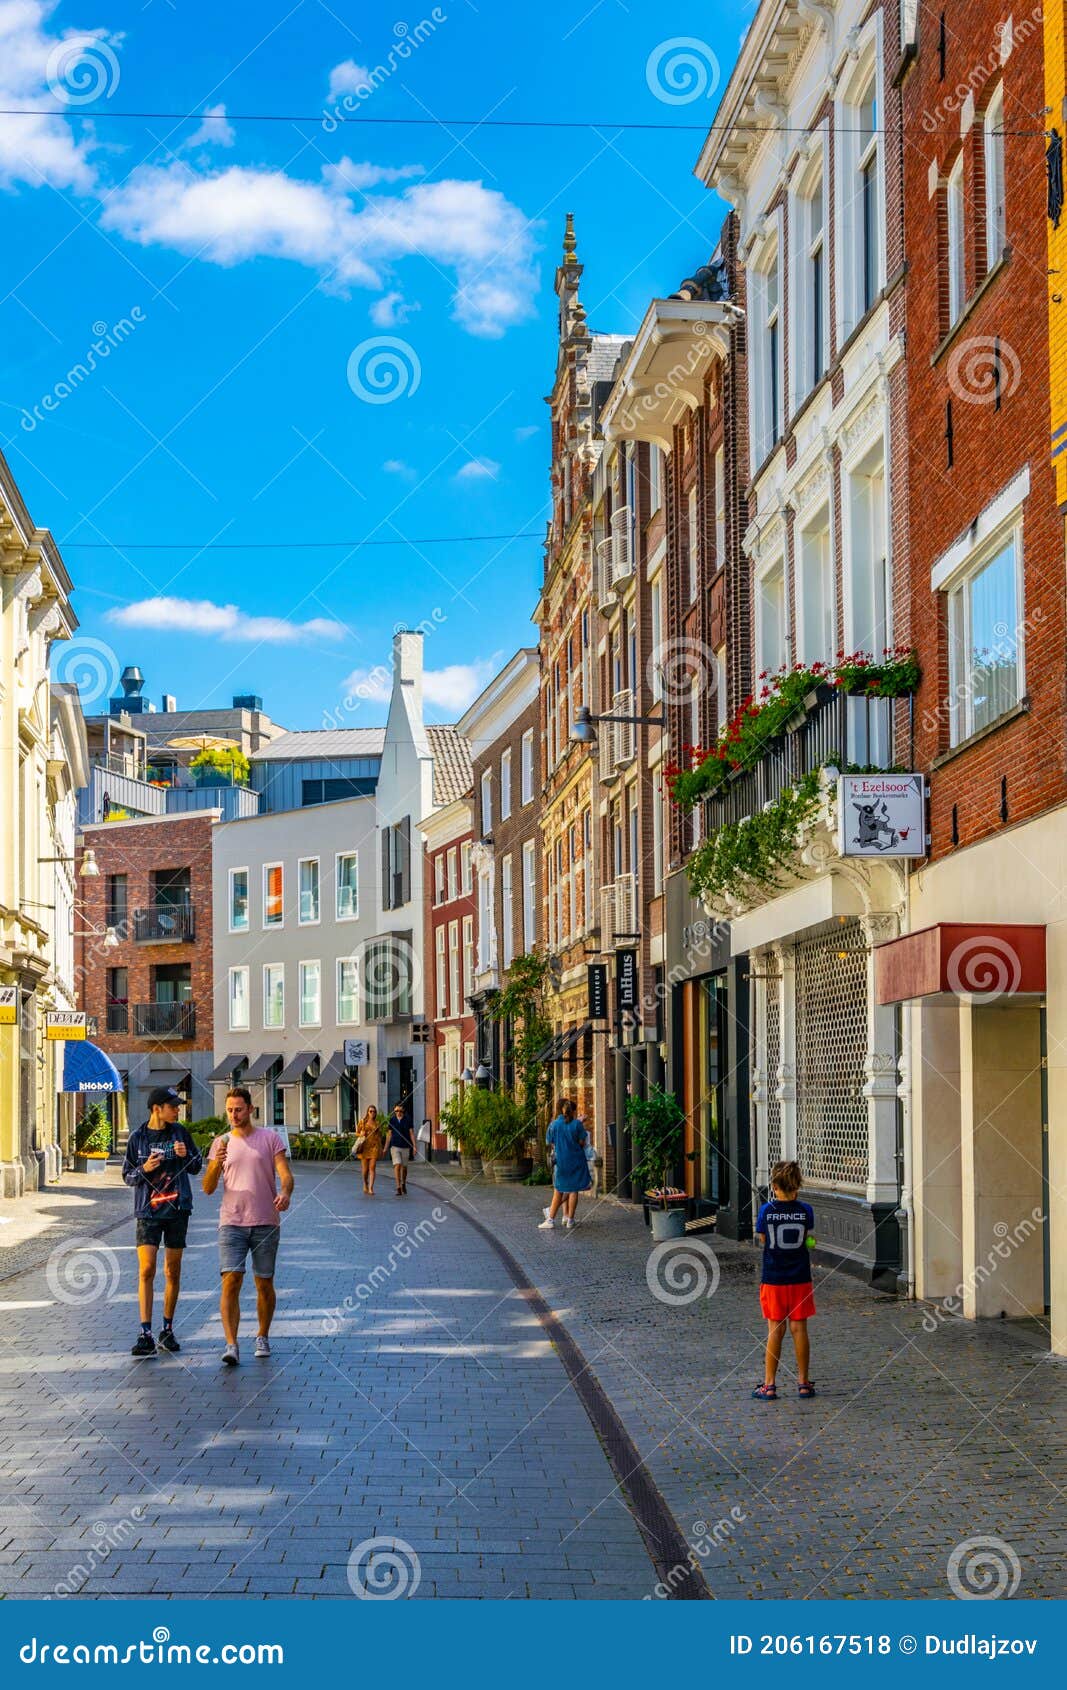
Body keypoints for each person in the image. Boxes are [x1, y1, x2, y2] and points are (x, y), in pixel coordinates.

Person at [202, 1087, 293, 1366]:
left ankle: (262, 1335)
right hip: (231, 1222)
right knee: (231, 1280)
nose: (234, 1115)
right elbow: (207, 1188)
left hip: (265, 1220)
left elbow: (285, 1175)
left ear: (250, 1109)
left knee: (264, 1282)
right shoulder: (221, 1142)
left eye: (239, 1109)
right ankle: (231, 1344)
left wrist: (286, 1193)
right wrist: (217, 1164)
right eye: (229, 1110)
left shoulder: (270, 1139)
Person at [122, 1086, 203, 1357]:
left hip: (177, 1209)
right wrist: (143, 1169)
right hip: (148, 1212)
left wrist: (185, 1155)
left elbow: (196, 1166)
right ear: (157, 1108)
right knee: (146, 1270)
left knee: (172, 1271)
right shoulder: (138, 1138)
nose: (178, 1109)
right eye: (173, 1106)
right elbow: (127, 1176)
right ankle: (145, 1332)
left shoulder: (180, 1132)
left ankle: (167, 1329)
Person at [752, 1160, 816, 1401]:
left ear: (774, 1186)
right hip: (800, 1278)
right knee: (799, 1329)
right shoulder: (806, 1210)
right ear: (797, 1186)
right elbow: (808, 1238)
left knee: (775, 1330)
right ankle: (803, 1383)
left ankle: (769, 1385)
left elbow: (762, 1239)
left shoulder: (766, 1211)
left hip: (774, 1278)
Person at [539, 1098, 591, 1231]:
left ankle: (550, 1219)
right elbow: (582, 1142)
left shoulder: (554, 1125)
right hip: (576, 1160)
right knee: (573, 1190)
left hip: (561, 1162)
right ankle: (570, 1220)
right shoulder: (577, 1125)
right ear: (571, 1111)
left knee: (559, 1190)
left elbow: (549, 1142)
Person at [385, 1100, 415, 1197]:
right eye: (397, 1111)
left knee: (404, 1168)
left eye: (400, 1111)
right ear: (395, 1110)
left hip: (405, 1147)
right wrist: (385, 1147)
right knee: (397, 1165)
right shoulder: (392, 1120)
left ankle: (403, 1183)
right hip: (395, 1146)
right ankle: (398, 1187)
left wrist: (414, 1146)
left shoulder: (408, 1119)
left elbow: (411, 1133)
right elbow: (389, 1134)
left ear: (403, 1111)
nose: (399, 1113)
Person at [352, 1104, 384, 1195]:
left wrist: (381, 1149)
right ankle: (365, 1183)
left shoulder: (377, 1123)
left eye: (374, 1111)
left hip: (374, 1147)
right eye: (370, 1111)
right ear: (367, 1112)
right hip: (364, 1147)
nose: (372, 1113)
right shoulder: (362, 1122)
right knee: (365, 1170)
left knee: (372, 1168)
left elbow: (379, 1137)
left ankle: (371, 1188)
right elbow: (357, 1133)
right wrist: (361, 1134)